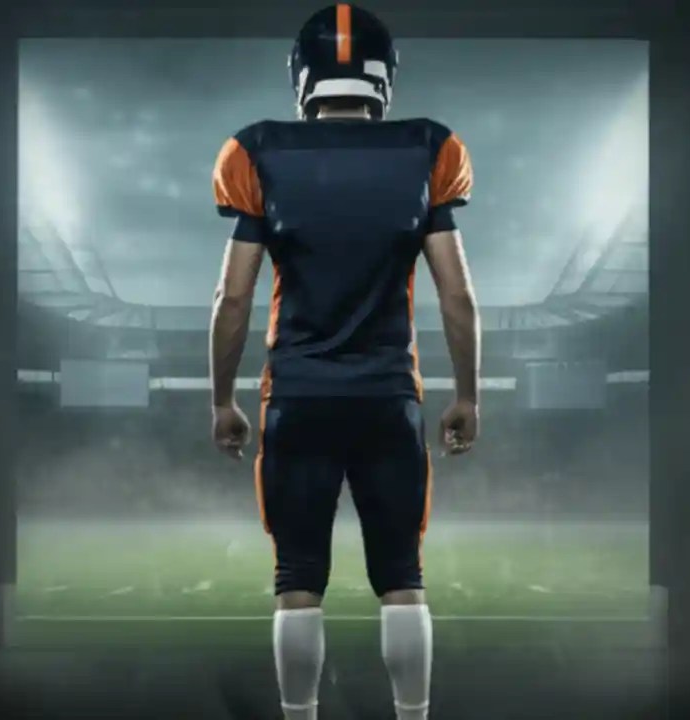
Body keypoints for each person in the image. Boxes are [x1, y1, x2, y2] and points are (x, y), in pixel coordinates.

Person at [207, 5, 481, 718]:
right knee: (402, 574)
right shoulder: (428, 147)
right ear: (383, 77)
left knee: (298, 576)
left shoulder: (258, 150)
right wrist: (469, 397)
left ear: (303, 77)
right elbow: (458, 294)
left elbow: (232, 298)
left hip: (296, 394)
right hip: (389, 395)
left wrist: (221, 400)